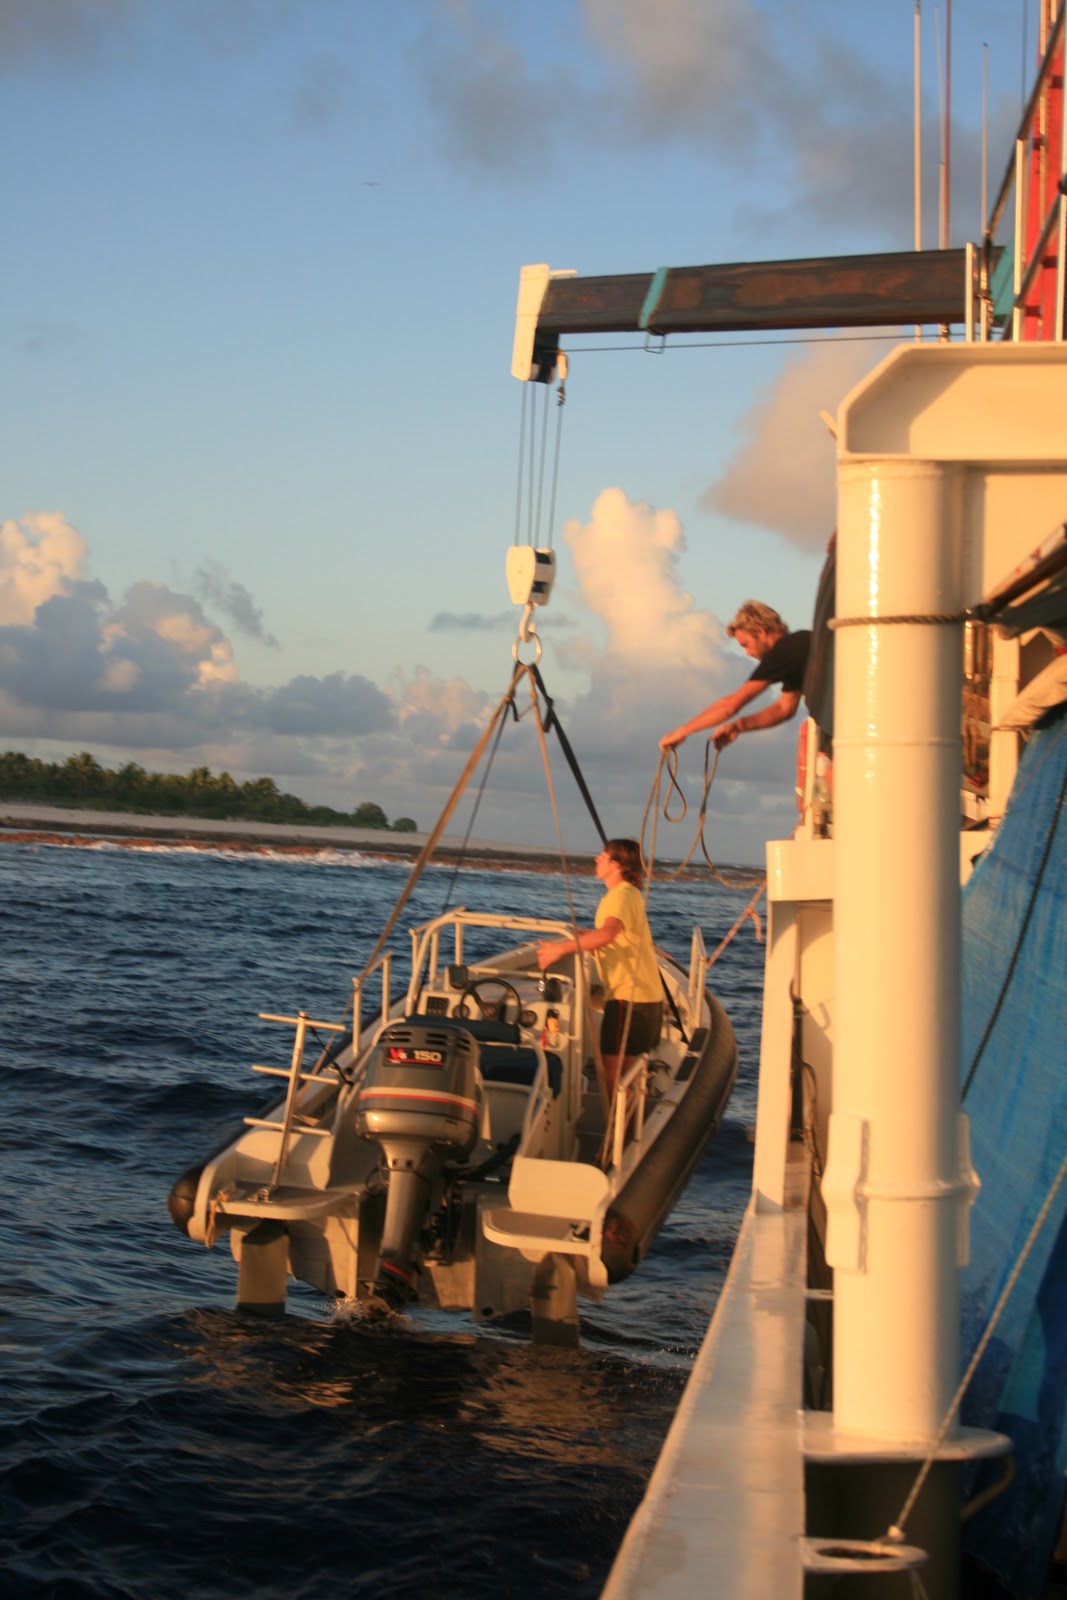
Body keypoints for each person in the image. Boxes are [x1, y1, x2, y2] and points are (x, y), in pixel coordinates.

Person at [537, 838, 662, 1103]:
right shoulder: (626, 894)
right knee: (625, 1075)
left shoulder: (621, 896)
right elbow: (614, 937)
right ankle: (625, 1137)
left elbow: (607, 935)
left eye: (602, 856)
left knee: (612, 1077)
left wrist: (561, 950)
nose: (596, 859)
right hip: (643, 997)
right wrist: (586, 936)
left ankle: (618, 1138)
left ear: (615, 864)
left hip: (628, 999)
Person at [660, 600, 811, 753]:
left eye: (746, 644)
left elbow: (730, 706)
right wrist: (739, 726)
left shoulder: (783, 651)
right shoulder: (799, 646)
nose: (748, 653)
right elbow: (784, 708)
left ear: (760, 632)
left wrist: (682, 731)